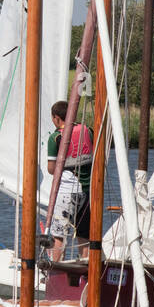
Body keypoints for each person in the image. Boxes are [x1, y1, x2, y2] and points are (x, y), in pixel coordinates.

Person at [46, 101, 93, 260]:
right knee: (84, 235)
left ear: (57, 118)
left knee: (59, 236)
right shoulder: (88, 131)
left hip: (66, 193)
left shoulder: (56, 137)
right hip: (87, 193)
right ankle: (85, 270)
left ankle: (56, 271)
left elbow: (52, 169)